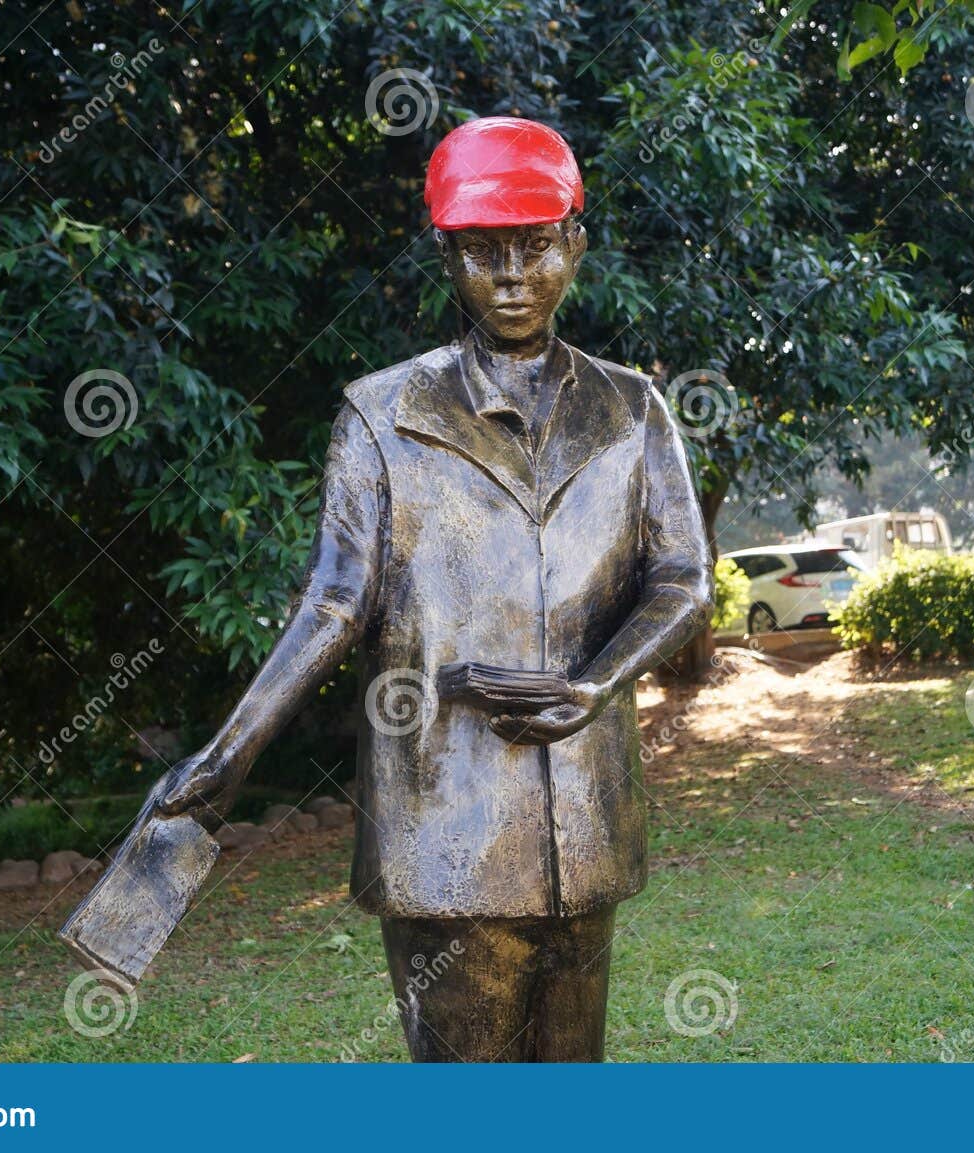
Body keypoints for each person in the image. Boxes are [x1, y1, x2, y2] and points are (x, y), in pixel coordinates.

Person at [154, 116, 714, 1061]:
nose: (512, 277)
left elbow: (683, 579)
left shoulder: (631, 408)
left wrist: (597, 682)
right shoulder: (382, 415)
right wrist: (229, 752)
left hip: (584, 819)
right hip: (442, 820)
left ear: (574, 242)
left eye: (535, 246)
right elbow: (334, 601)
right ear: (446, 255)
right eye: (483, 252)